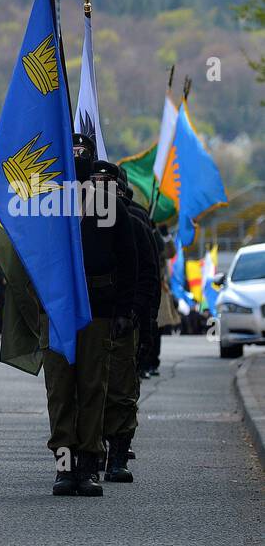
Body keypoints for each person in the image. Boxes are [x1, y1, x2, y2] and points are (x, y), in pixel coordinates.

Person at [45, 140, 137, 497]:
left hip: (97, 308)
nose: (80, 162)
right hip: (58, 310)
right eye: (73, 156)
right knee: (60, 390)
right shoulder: (50, 207)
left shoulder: (111, 208)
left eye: (84, 156)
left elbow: (128, 262)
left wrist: (124, 311)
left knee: (92, 386)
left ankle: (87, 465)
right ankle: (65, 466)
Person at [102, 169, 160, 483]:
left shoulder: (135, 226)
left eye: (107, 186)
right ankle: (89, 450)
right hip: (92, 316)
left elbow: (148, 279)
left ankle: (118, 455)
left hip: (124, 319)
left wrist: (140, 319)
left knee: (121, 390)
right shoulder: (81, 221)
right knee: (88, 387)